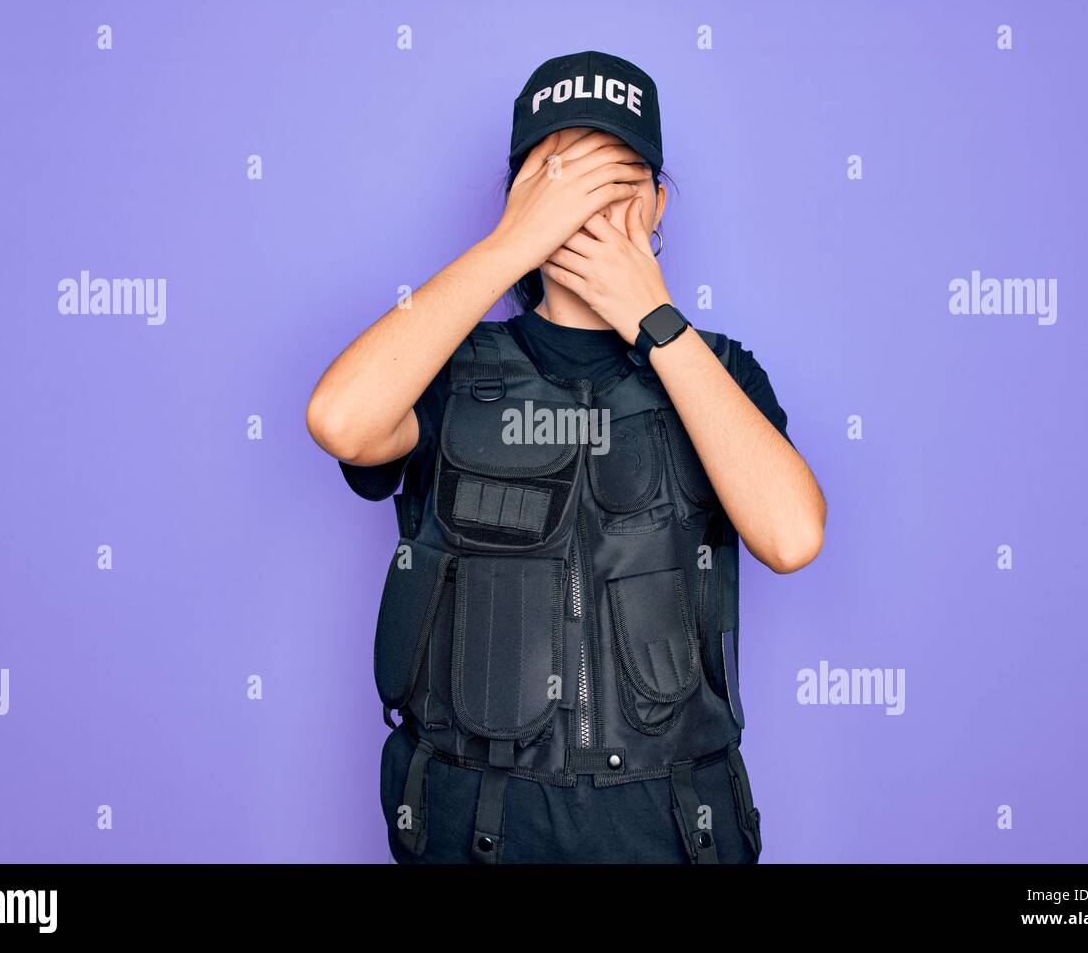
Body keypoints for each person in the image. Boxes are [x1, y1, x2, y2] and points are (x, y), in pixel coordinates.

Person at [307, 50, 826, 864]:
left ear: (657, 203)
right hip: (472, 822)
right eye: (559, 179)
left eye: (615, 181)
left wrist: (654, 320)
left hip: (671, 822)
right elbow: (341, 420)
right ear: (517, 198)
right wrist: (508, 249)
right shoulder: (445, 367)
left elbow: (792, 537)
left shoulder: (718, 369)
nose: (585, 207)